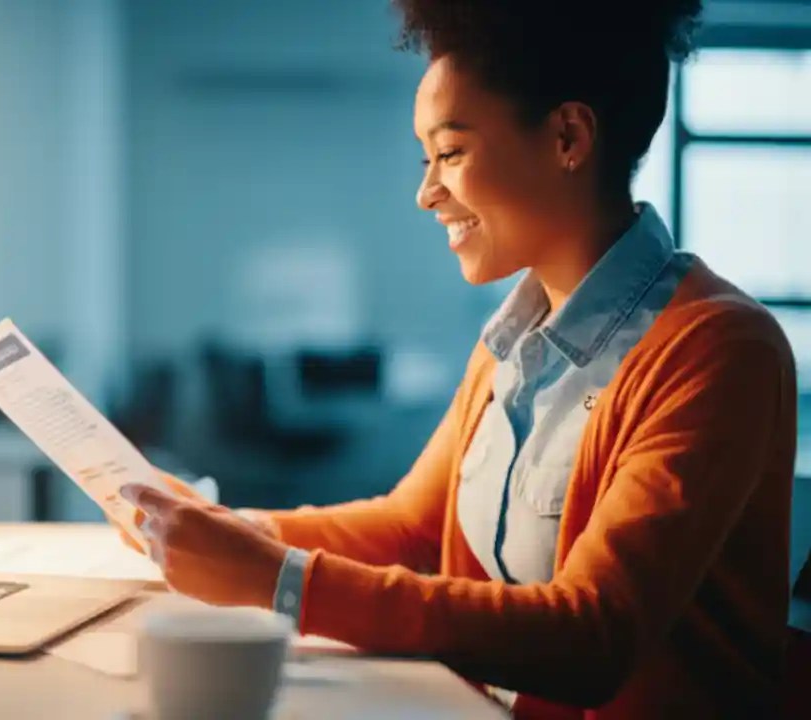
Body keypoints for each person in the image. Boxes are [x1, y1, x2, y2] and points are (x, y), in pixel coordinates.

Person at [111, 1, 798, 717]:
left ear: (568, 136)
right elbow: (411, 526)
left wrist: (283, 582)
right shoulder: (515, 337)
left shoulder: (718, 350)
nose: (425, 192)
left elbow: (595, 634)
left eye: (452, 152)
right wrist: (229, 530)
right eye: (425, 157)